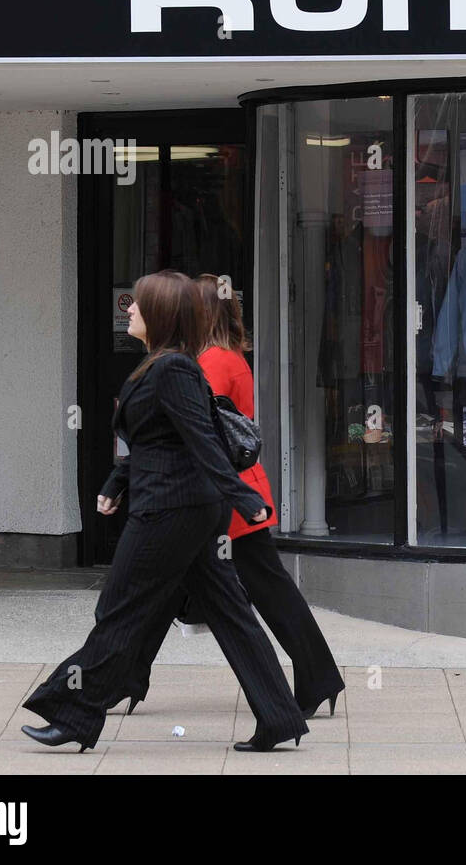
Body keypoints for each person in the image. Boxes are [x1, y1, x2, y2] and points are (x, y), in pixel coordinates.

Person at [21, 271, 306, 753]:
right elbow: (158, 441)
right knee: (231, 613)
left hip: (173, 512)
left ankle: (73, 711)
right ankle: (279, 717)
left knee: (118, 608)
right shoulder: (161, 364)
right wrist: (117, 481)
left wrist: (243, 497)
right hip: (184, 508)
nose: (128, 308)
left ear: (160, 314)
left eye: (138, 303)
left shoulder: (172, 369)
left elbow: (203, 441)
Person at [113, 274, 346, 720]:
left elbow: (197, 436)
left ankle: (315, 679)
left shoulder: (212, 361)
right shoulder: (224, 355)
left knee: (261, 594)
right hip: (230, 496)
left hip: (224, 501)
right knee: (170, 592)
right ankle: (125, 676)